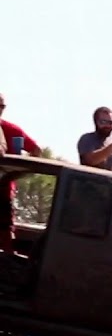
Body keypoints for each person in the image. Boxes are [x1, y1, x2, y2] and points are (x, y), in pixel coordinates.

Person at [0, 93, 44, 253]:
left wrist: (19, 171)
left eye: (2, 106)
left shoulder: (11, 130)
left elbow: (36, 151)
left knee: (6, 233)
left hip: (3, 191)